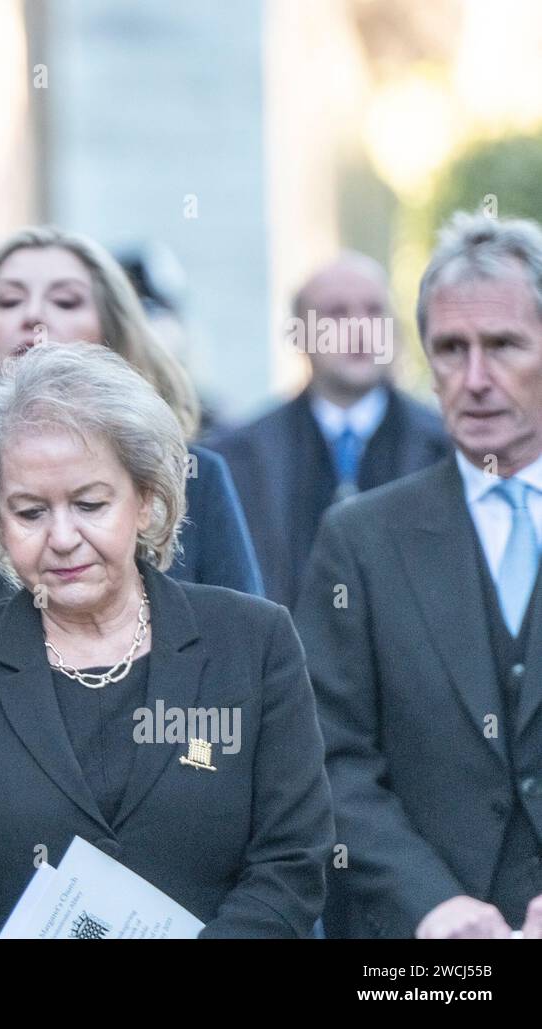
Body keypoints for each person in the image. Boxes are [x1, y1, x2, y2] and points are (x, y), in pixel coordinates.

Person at [0, 342, 333, 937]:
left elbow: (292, 861)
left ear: (145, 500)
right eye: (30, 512)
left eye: (90, 504)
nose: (62, 537)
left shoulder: (255, 642)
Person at [0, 226, 262, 801]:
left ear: (114, 335)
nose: (34, 316)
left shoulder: (196, 478)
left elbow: (240, 680)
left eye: (66, 301)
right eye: (8, 300)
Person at [296, 213, 542, 938]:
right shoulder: (362, 537)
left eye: (503, 346)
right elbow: (324, 750)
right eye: (449, 348)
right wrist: (429, 900)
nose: (474, 379)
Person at [206, 253, 448, 608]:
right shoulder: (236, 458)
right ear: (297, 334)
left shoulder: (449, 445)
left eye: (374, 311)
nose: (359, 328)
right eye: (336, 313)